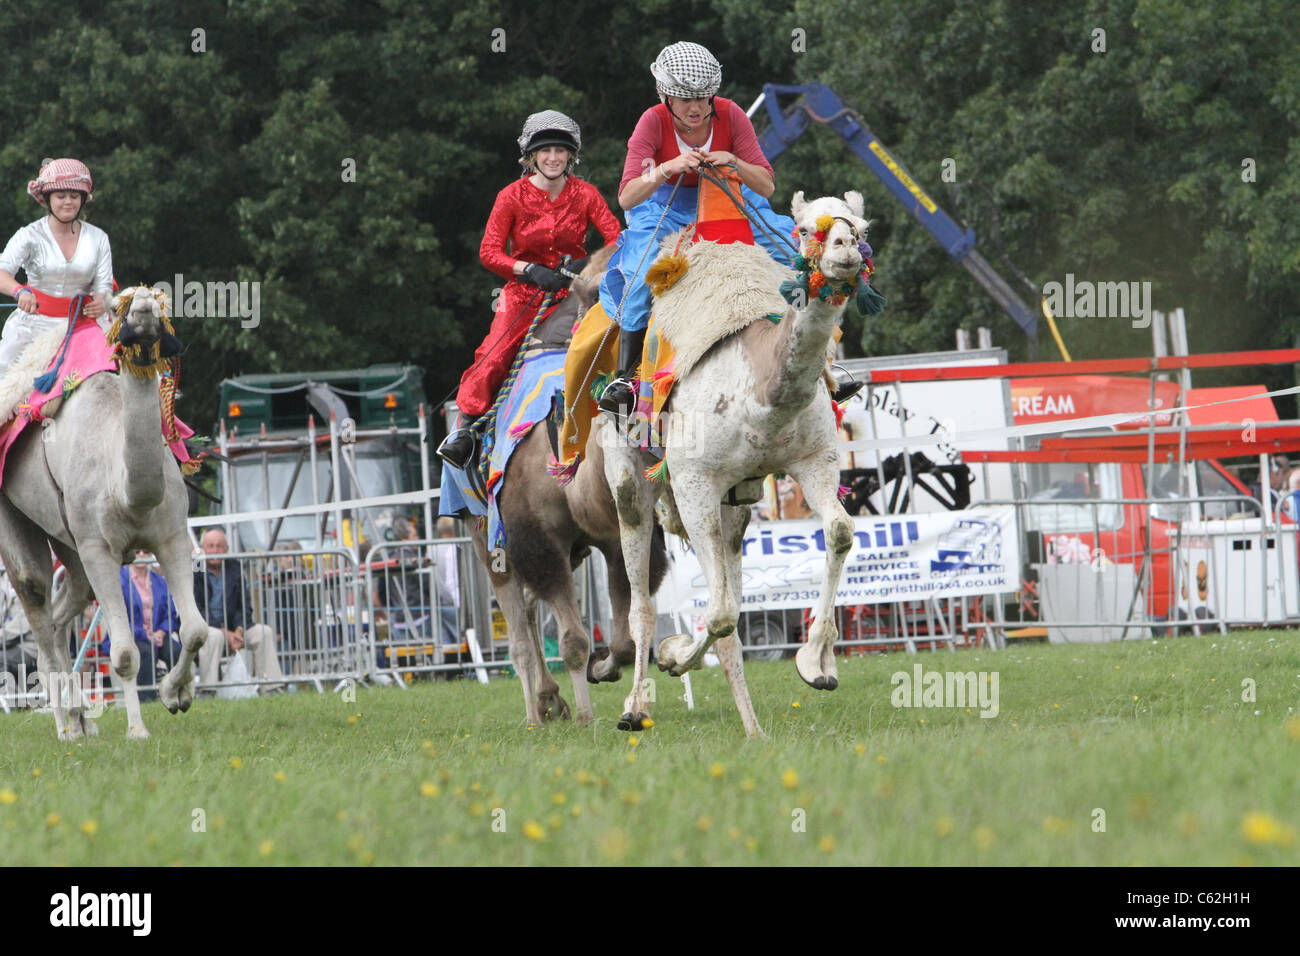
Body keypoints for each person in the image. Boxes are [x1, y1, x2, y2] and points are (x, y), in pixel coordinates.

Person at [595, 41, 803, 413]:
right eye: (685, 99)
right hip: (664, 204)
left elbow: (767, 186)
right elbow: (627, 197)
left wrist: (734, 161)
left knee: (789, 249)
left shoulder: (732, 114)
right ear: (664, 96)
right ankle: (626, 376)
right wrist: (667, 168)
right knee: (642, 270)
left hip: (727, 194)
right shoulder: (651, 122)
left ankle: (812, 355)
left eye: (704, 99)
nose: (697, 108)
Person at [437, 111, 622, 470]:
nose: (553, 157)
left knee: (620, 337)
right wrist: (529, 270)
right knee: (492, 356)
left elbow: (617, 238)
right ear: (532, 156)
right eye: (545, 150)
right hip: (524, 294)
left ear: (571, 156)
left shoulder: (586, 194)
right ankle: (467, 431)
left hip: (576, 293)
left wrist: (589, 264)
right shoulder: (510, 196)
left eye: (560, 150)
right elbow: (489, 252)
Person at [0, 159, 113, 367]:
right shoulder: (28, 235)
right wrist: (19, 292)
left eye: (74, 196)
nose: (68, 202)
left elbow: (104, 286)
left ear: (82, 200)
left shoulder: (99, 238)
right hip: (33, 328)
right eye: (61, 196)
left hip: (84, 327)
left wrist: (102, 302)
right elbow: (2, 272)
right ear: (47, 199)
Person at [194, 528, 286, 693]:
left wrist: (239, 629)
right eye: (211, 546)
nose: (215, 550)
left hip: (234, 629)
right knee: (214, 636)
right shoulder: (196, 568)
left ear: (227, 549)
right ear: (202, 549)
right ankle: (208, 691)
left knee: (263, 632)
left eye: (219, 546)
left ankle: (271, 687)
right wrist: (224, 632)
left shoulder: (234, 567)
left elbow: (244, 605)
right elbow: (197, 608)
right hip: (205, 627)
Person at [115, 551, 184, 702]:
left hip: (158, 634)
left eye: (145, 552)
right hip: (132, 635)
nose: (140, 555)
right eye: (136, 551)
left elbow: (171, 613)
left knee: (176, 651)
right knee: (146, 653)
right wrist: (145, 635)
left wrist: (162, 632)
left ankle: (177, 694)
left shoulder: (159, 581)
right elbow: (120, 617)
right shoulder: (120, 580)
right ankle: (146, 699)